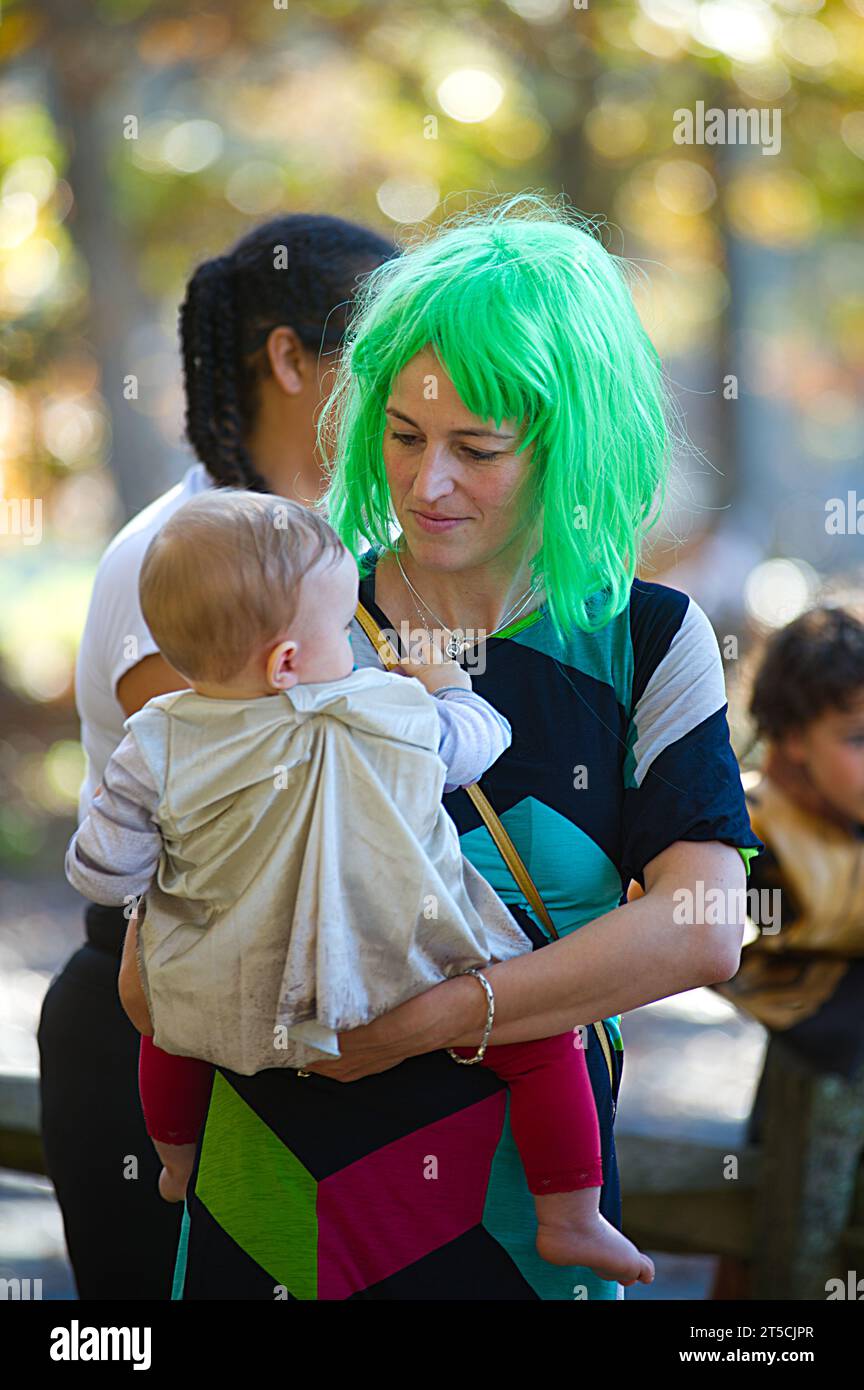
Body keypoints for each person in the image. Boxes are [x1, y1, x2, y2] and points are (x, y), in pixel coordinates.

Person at [171, 196, 762, 1302]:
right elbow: (168, 883)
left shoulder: (650, 641)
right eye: (402, 434)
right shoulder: (293, 611)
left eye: (477, 448)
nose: (426, 482)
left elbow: (706, 922)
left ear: (571, 442)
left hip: (528, 1214)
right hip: (274, 1197)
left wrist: (432, 1020)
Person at [66, 491, 656, 1282]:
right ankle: (570, 1215)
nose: (356, 645)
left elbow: (103, 870)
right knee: (545, 1042)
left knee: (172, 1029)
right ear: (287, 662)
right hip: (387, 973)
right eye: (341, 629)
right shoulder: (375, 710)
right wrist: (445, 682)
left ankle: (175, 1159)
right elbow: (476, 746)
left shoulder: (157, 738)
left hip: (232, 984)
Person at [37, 213, 395, 1299]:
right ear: (290, 358)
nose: (416, 391)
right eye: (383, 359)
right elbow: (237, 826)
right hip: (167, 1030)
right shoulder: (179, 560)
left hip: (303, 1018)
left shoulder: (363, 544)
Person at [710, 600, 864, 1299]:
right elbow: (692, 932)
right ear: (795, 737)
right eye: (857, 738)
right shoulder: (750, 824)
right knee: (782, 1254)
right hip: (818, 1069)